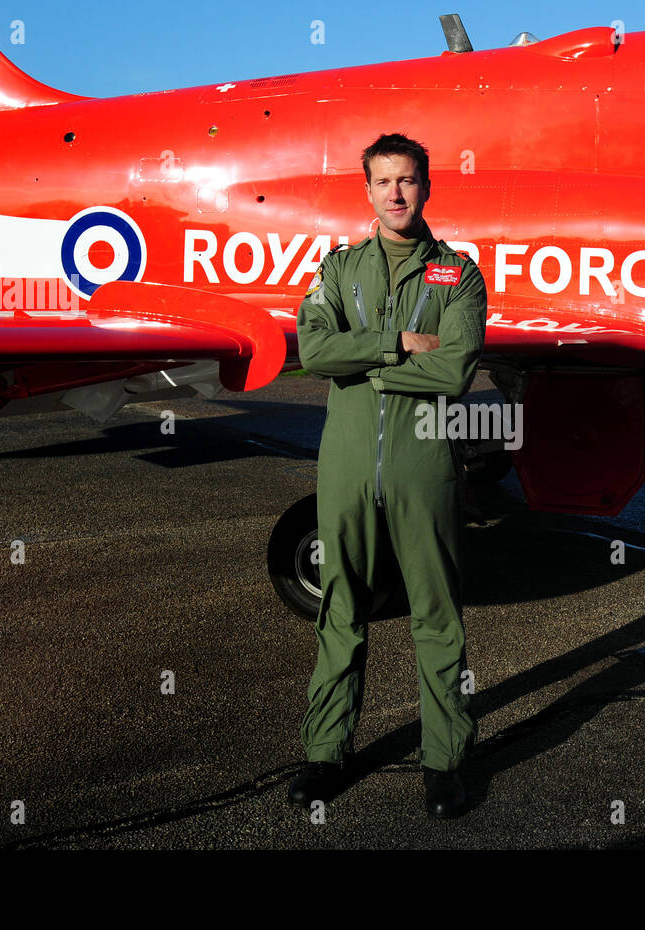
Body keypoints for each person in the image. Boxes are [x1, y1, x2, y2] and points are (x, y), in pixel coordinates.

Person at [289, 133, 488, 818]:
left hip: (424, 464)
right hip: (345, 464)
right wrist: (396, 343)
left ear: (427, 187)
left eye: (407, 181)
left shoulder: (458, 273)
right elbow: (312, 348)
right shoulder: (338, 268)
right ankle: (325, 752)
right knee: (339, 607)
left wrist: (362, 363)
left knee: (437, 614)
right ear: (367, 190)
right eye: (383, 182)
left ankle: (446, 761)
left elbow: (457, 367)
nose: (396, 193)